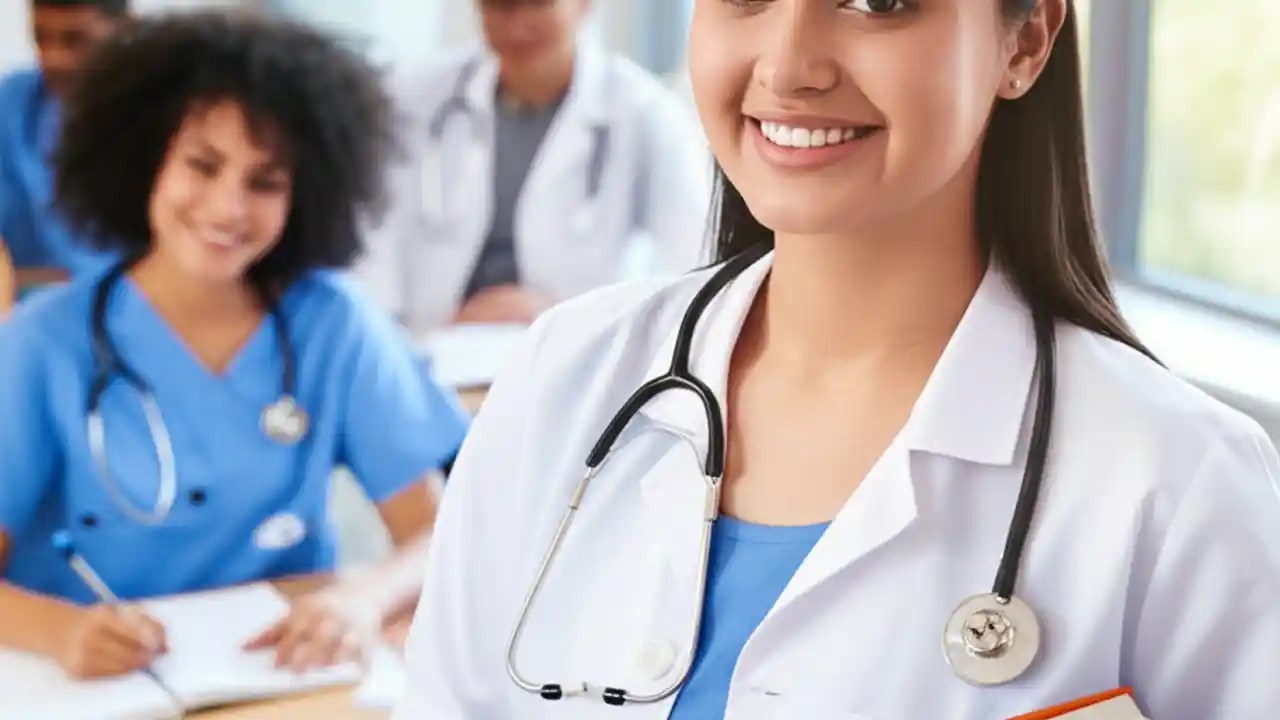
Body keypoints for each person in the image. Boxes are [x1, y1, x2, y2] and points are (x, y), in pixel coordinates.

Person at [394, 1, 1280, 718]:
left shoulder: (1181, 481)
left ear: (1026, 41)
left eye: (879, 2)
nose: (788, 64)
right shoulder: (564, 374)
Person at [0, 11, 470, 680]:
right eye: (203, 164)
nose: (228, 208)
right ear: (146, 161)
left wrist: (365, 598)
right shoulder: (42, 341)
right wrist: (61, 630)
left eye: (265, 181)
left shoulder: (334, 327)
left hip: (276, 679)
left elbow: (437, 532)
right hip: (95, 687)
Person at [356, 0, 712, 334]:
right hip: (436, 346)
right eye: (500, 4)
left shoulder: (643, 111)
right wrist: (396, 342)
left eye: (539, 1)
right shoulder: (416, 97)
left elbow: (697, 258)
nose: (518, 23)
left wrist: (558, 314)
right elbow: (372, 248)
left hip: (576, 349)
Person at [0, 0, 127, 307]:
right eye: (41, 37)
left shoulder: (164, 121)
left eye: (76, 40)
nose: (53, 58)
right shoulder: (12, 105)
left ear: (125, 30)